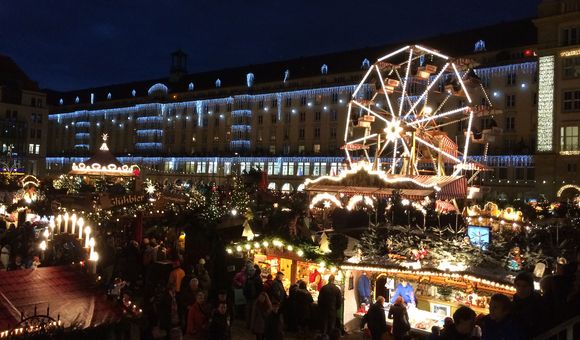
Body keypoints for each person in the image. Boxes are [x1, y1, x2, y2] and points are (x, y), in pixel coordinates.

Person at [511, 271, 544, 338]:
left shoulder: (538, 304)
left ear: (531, 287)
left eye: (524, 286)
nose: (521, 289)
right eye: (518, 285)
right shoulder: (514, 303)